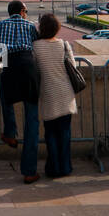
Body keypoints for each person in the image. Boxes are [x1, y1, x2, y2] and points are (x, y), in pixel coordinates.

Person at [0, 1, 40, 183]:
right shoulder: (30, 26)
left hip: (10, 66)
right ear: (22, 11)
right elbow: (36, 47)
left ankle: (10, 133)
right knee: (32, 121)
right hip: (29, 68)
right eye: (26, 10)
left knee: (6, 96)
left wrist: (4, 62)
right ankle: (29, 171)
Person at [33, 13, 77, 178]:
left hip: (48, 92)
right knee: (65, 133)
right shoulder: (64, 45)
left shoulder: (35, 46)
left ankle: (53, 167)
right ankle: (65, 167)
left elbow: (35, 70)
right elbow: (73, 67)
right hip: (65, 92)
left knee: (50, 133)